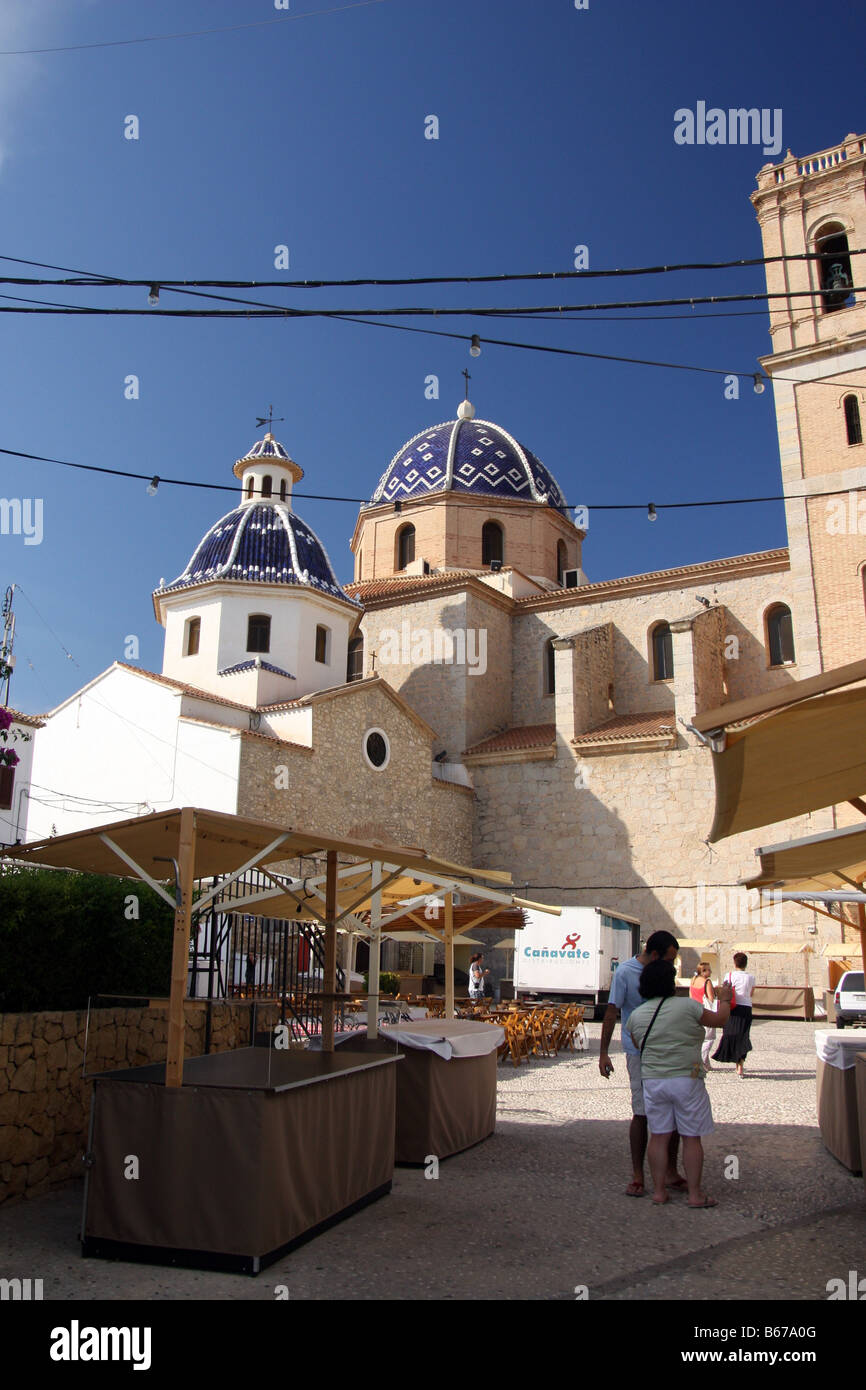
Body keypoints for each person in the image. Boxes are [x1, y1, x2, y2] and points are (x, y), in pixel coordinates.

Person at [628, 958, 732, 1207]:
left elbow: (636, 1043)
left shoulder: (636, 1015)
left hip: (653, 1081)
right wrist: (725, 998)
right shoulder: (687, 1007)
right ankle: (695, 1194)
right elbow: (719, 1020)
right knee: (691, 1137)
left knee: (659, 1137)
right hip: (687, 1077)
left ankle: (659, 1191)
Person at [599, 929, 687, 1198]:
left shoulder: (664, 974)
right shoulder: (626, 972)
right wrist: (603, 1052)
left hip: (666, 1049)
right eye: (670, 960)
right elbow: (612, 1011)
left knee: (672, 1111)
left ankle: (670, 1171)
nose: (671, 966)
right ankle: (638, 1174)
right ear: (656, 954)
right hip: (637, 1052)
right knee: (641, 1111)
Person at [712, 952, 755, 1077]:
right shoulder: (751, 977)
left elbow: (725, 992)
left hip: (732, 1007)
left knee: (730, 1033)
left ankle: (732, 1057)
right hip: (746, 1007)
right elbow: (751, 993)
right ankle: (740, 1064)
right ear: (746, 963)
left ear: (734, 963)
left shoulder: (729, 975)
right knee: (743, 1035)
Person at [690, 962, 717, 1068]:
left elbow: (691, 996)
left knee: (698, 1038)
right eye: (709, 970)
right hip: (705, 1011)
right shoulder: (707, 982)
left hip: (694, 1011)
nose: (711, 971)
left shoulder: (693, 980)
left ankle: (706, 1062)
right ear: (703, 971)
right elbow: (711, 999)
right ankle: (701, 1060)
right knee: (709, 1038)